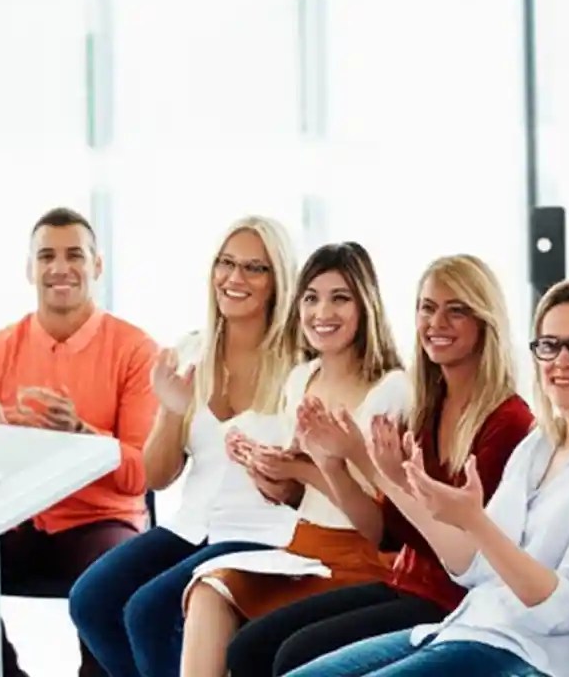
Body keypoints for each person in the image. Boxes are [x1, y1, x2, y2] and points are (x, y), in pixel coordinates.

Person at [290, 278, 569, 676]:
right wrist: (410, 487)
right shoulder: (538, 446)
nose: (561, 361)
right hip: (465, 628)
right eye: (549, 345)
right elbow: (474, 567)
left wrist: (476, 522)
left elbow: (567, 609)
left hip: (529, 656)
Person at [225, 254, 535, 675]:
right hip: (404, 582)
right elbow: (386, 534)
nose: (436, 323)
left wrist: (365, 463)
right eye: (427, 308)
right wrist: (332, 462)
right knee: (249, 647)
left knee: (292, 655)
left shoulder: (508, 422)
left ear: (485, 321)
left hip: (453, 602)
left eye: (456, 310)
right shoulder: (427, 407)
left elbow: (466, 560)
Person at [66, 215, 301, 677]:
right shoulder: (191, 352)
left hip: (264, 533)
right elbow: (156, 477)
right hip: (193, 526)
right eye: (226, 263)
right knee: (91, 600)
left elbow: (308, 484)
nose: (234, 278)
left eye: (255, 268)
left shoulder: (299, 366)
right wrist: (173, 410)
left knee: (148, 612)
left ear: (279, 281)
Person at [178, 242, 409, 677]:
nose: (323, 312)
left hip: (361, 560)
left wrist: (305, 468)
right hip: (303, 547)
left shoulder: (392, 390)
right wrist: (267, 472)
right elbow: (295, 496)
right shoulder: (302, 378)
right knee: (208, 590)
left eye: (340, 298)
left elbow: (380, 525)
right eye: (311, 298)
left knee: (259, 645)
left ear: (366, 306)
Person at [0, 206, 159, 677]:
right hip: (15, 521)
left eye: (74, 255)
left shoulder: (135, 350)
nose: (59, 268)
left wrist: (81, 435)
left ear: (97, 265)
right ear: (29, 268)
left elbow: (142, 475)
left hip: (101, 520)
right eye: (46, 256)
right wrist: (0, 445)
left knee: (109, 583)